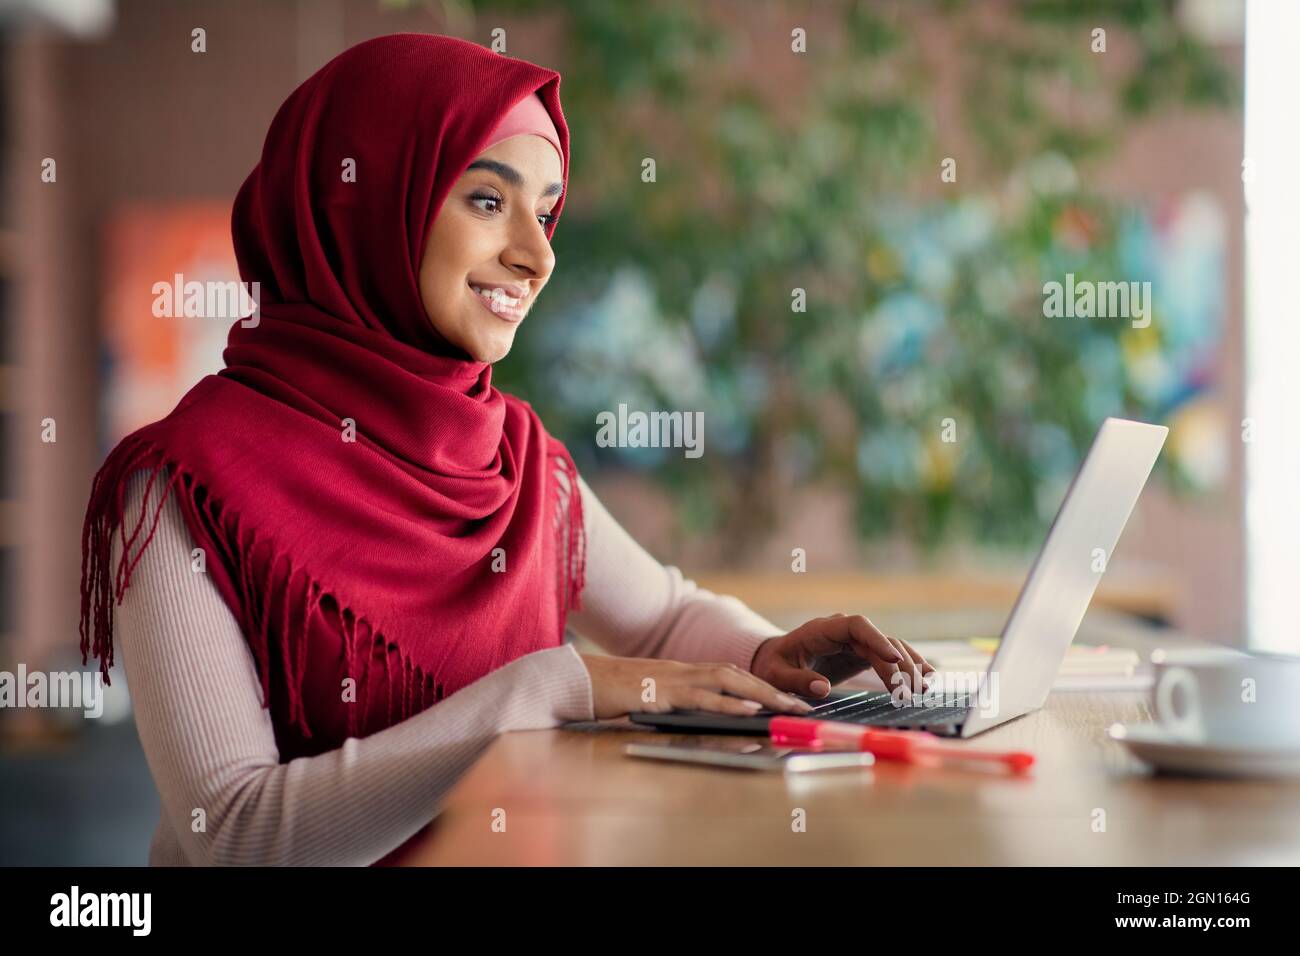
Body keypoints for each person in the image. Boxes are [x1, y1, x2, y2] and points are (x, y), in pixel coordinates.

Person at [79, 33, 933, 866]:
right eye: (489, 201)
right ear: (363, 203)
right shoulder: (180, 486)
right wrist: (552, 691)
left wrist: (765, 655)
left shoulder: (519, 455)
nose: (537, 255)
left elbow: (664, 616)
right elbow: (234, 833)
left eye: (548, 209)